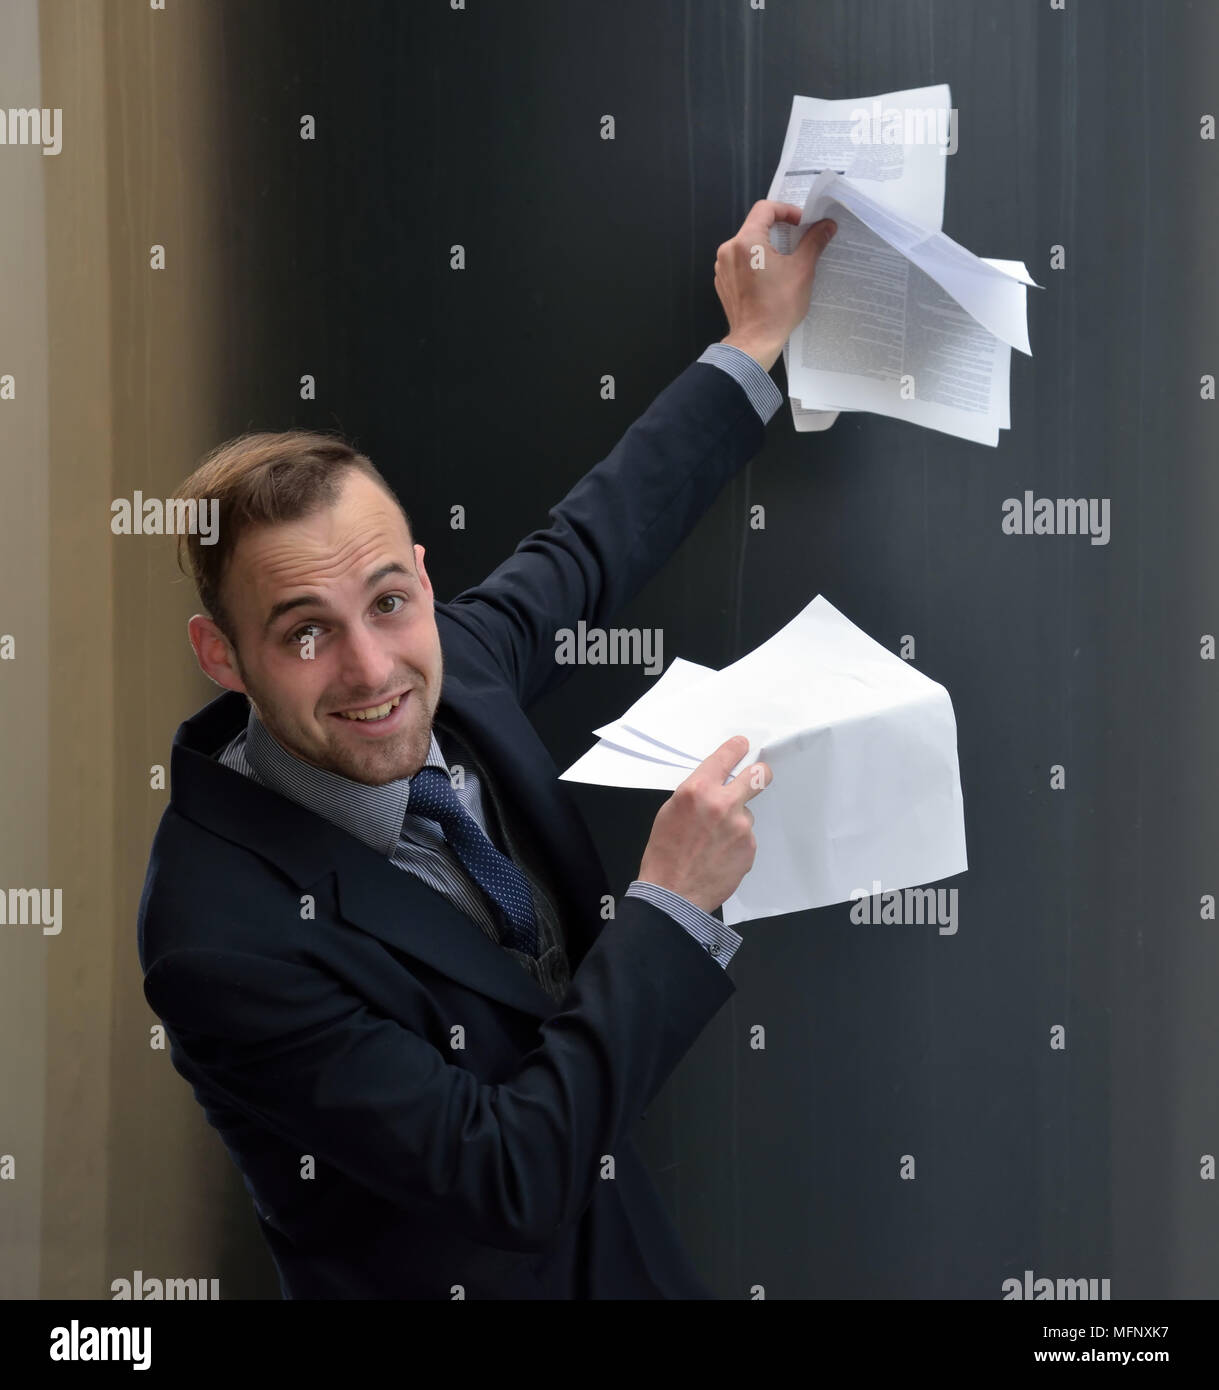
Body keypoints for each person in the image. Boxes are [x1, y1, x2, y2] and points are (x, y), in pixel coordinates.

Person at [137, 203, 838, 1298]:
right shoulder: (216, 941)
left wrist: (750, 345)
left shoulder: (453, 656)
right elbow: (508, 1174)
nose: (373, 671)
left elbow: (596, 539)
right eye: (305, 632)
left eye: (388, 599)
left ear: (419, 574)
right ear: (221, 656)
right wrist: (669, 908)